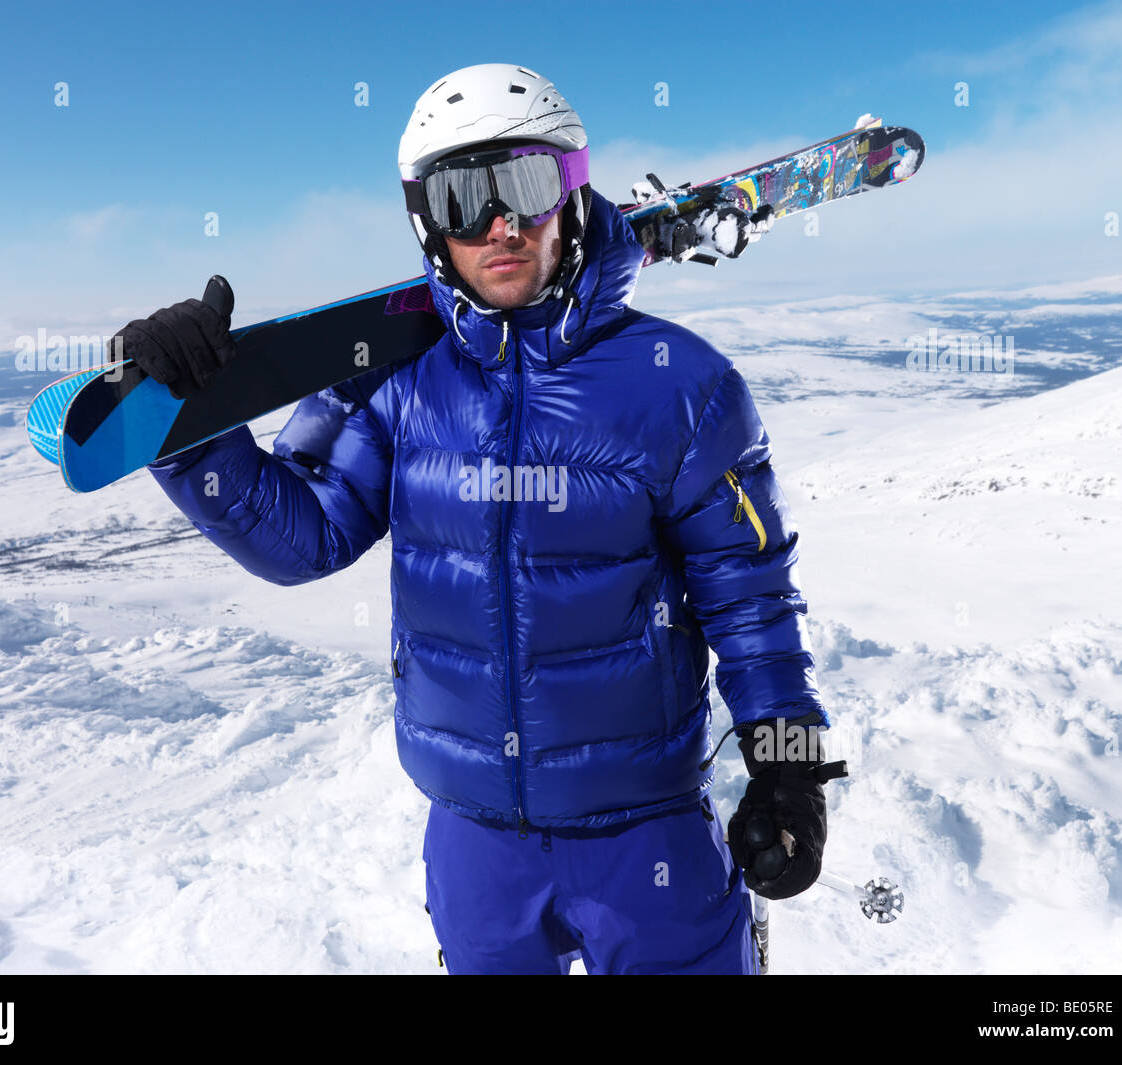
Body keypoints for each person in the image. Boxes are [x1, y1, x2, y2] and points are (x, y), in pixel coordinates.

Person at [115, 64, 844, 975]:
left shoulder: (682, 384)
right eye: (465, 197)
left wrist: (786, 764)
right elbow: (302, 534)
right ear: (429, 220)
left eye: (527, 187)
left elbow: (752, 600)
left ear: (571, 195)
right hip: (474, 841)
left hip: (645, 827)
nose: (500, 224)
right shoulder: (392, 381)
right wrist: (189, 429)